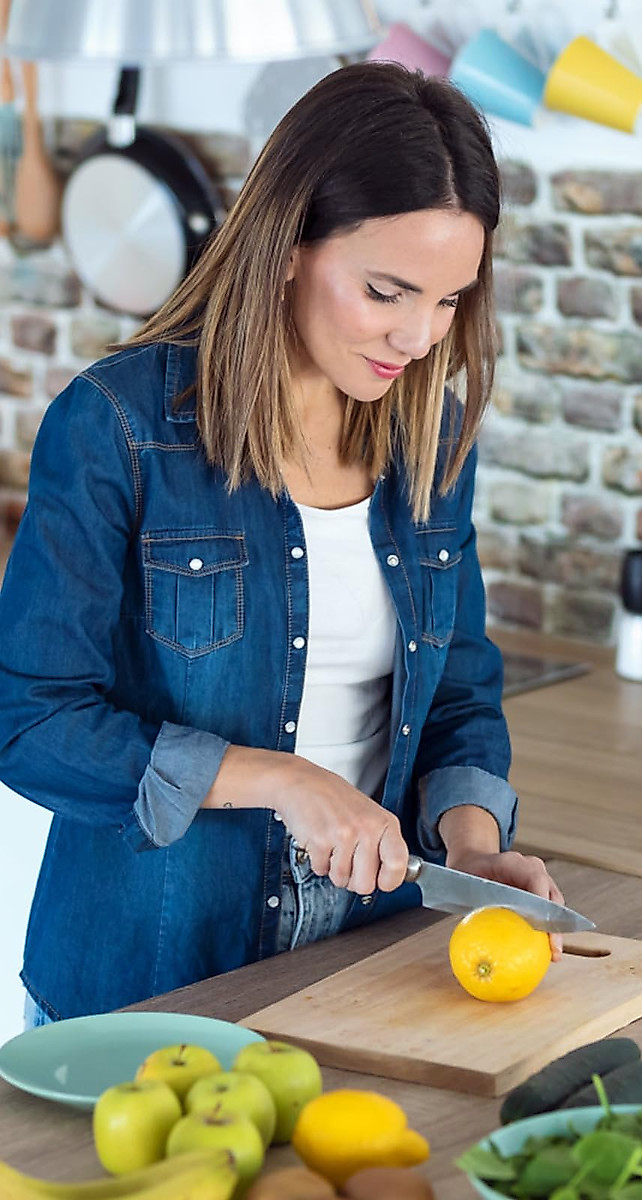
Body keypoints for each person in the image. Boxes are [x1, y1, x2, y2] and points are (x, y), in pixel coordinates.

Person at [0, 62, 566, 1026]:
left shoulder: (432, 436)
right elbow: (30, 721)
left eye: (448, 301)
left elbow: (459, 688)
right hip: (152, 986)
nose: (421, 336)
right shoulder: (120, 427)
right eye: (388, 292)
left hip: (369, 968)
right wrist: (283, 782)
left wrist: (472, 846)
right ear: (291, 243)